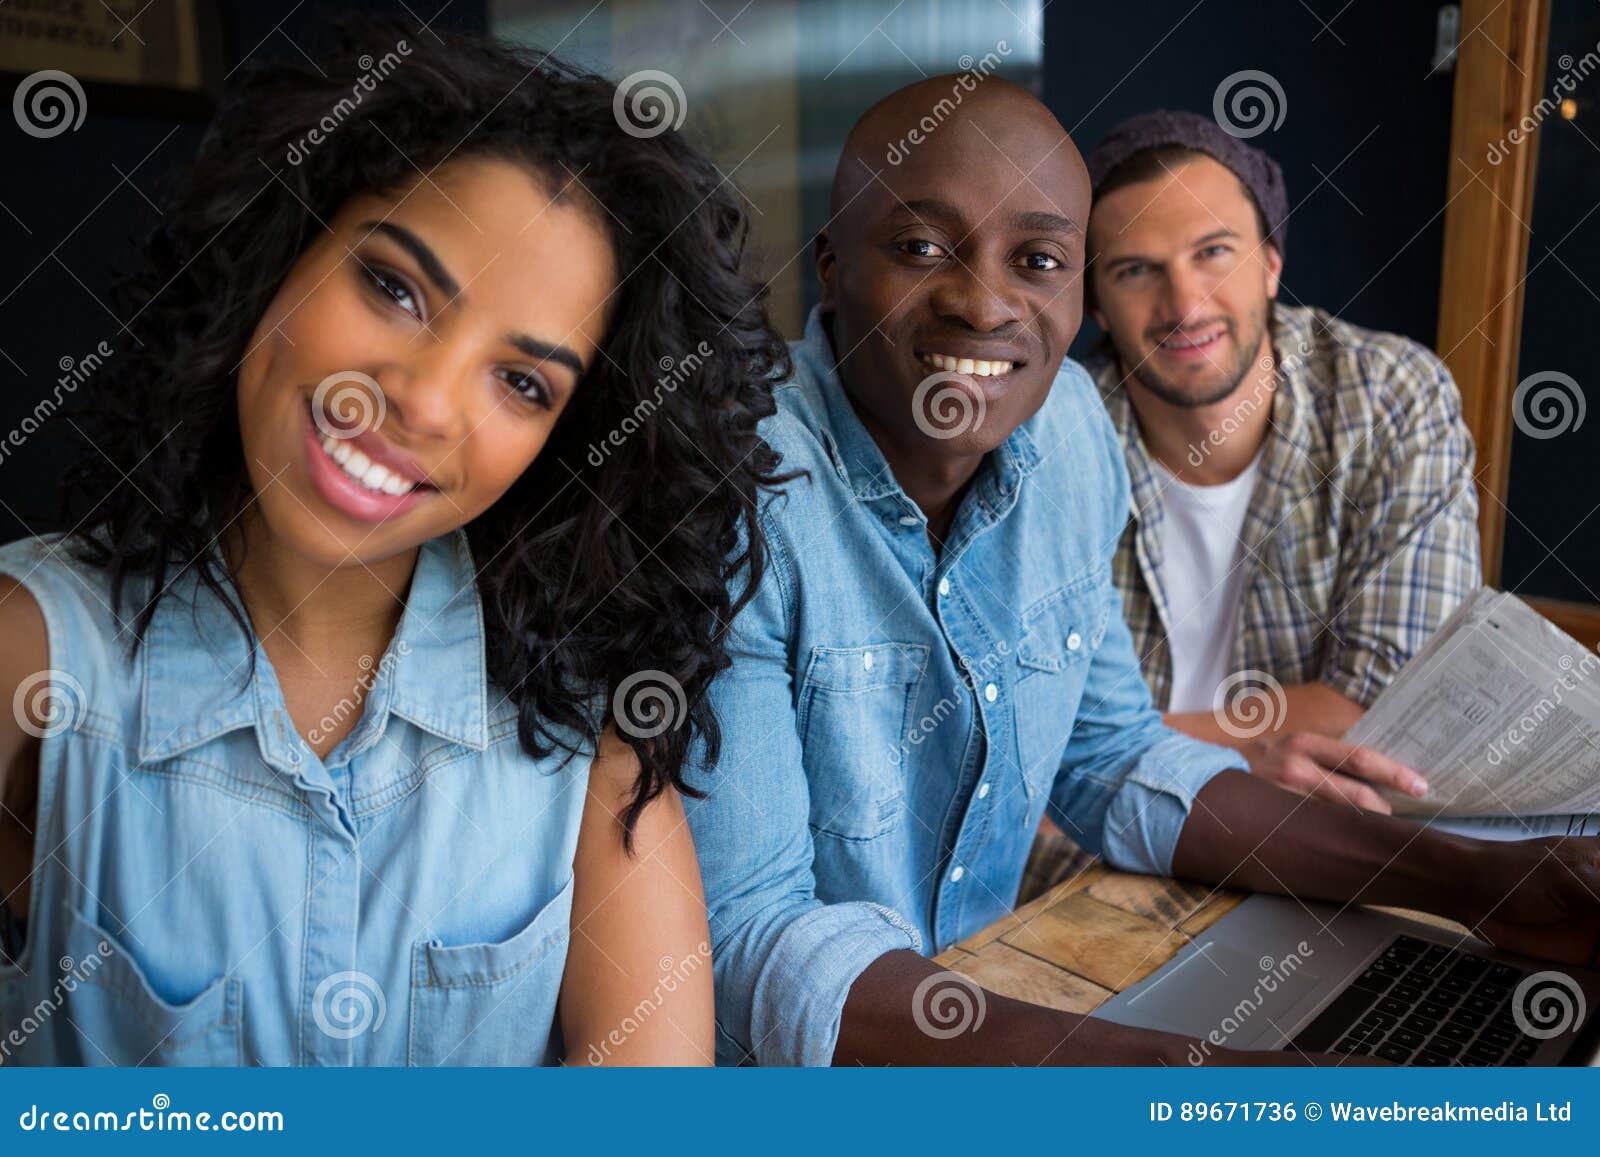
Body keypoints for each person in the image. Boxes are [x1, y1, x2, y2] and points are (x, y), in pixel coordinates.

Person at [683, 74, 1600, 1067]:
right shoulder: (732, 489)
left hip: (995, 1001)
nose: (984, 300)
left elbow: (1115, 758)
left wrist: (1481, 882)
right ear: (830, 264)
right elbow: (747, 940)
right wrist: (1161, 1073)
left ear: (1073, 294)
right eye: (918, 247)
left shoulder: (1068, 429)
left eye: (1036, 259)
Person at [0, 23, 788, 1066]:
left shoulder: (587, 724)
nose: (421, 400)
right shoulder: (36, 658)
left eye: (522, 382)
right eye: (394, 287)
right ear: (280, 252)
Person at [1083, 110, 1481, 812]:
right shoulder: (1056, 433)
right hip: (1106, 843)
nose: (1184, 304)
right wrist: (1220, 756)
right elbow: (1020, 727)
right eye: (1137, 269)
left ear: (1270, 264)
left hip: (1317, 835)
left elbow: (1394, 711)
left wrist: (1118, 756)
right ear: (1100, 308)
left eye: (1213, 252)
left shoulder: (1389, 398)